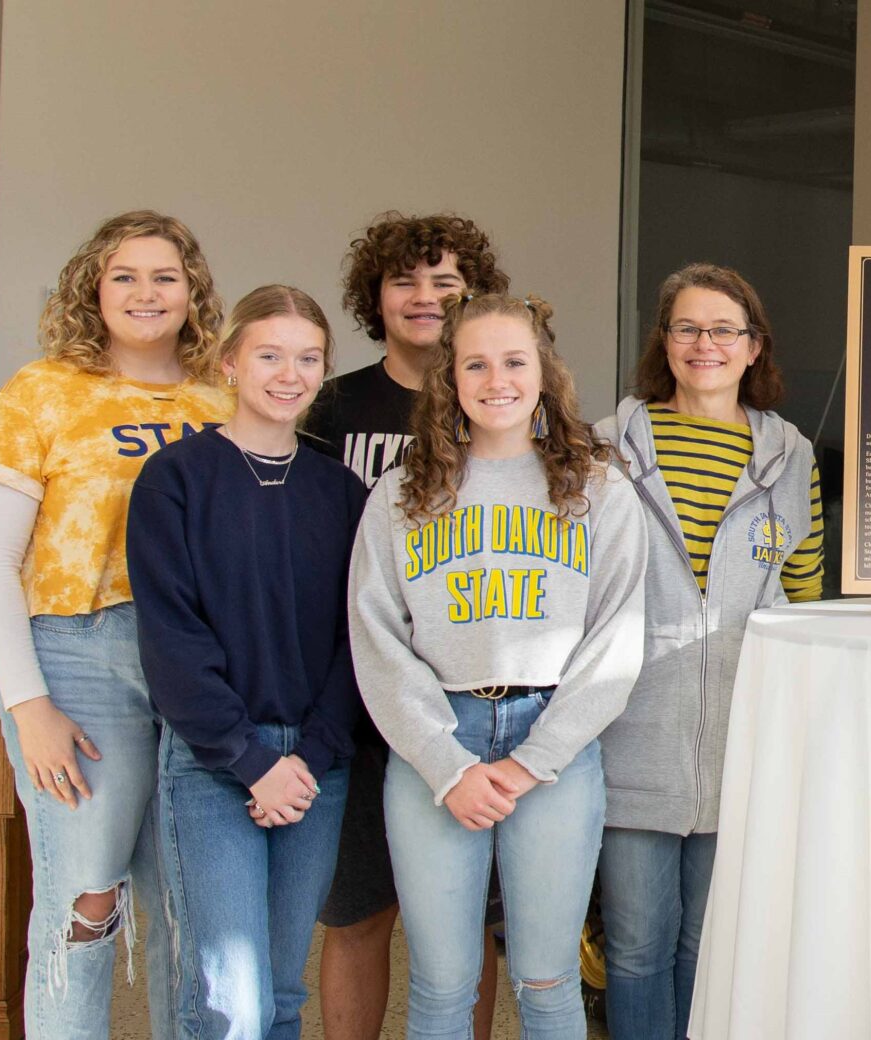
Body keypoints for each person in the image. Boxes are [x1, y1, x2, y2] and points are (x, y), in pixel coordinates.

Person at [348, 291, 647, 1038]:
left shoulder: (600, 490)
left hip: (554, 743)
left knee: (546, 984)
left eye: (514, 361)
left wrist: (531, 760)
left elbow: (615, 643)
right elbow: (377, 637)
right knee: (443, 988)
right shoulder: (403, 493)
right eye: (474, 363)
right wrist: (445, 764)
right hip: (435, 744)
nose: (496, 379)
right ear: (450, 378)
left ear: (544, 371)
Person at [0, 209, 227, 1038]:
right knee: (84, 902)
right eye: (126, 276)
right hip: (81, 657)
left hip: (199, 661)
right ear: (93, 288)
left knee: (193, 911)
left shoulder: (223, 394)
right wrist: (28, 705)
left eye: (165, 277)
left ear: (192, 293)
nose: (147, 293)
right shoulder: (41, 391)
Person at [128, 285, 368, 1039]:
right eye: (269, 355)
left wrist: (313, 756)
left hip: (317, 771)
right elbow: (173, 641)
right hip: (211, 766)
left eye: (307, 358)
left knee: (280, 994)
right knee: (229, 1003)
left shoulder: (343, 490)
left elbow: (356, 638)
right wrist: (250, 759)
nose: (288, 373)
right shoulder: (175, 479)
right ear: (230, 364)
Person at [594, 262, 825, 1040]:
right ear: (664, 342)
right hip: (631, 734)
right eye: (687, 328)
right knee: (633, 948)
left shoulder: (790, 457)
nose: (706, 344)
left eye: (725, 329)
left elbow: (805, 594)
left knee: (710, 943)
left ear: (754, 346)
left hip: (741, 736)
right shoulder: (605, 450)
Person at [303, 212, 511, 1040]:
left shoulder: (499, 406)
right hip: (354, 698)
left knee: (470, 925)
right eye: (404, 280)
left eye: (444, 280)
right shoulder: (331, 405)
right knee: (357, 914)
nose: (424, 296)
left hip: (470, 701)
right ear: (374, 297)